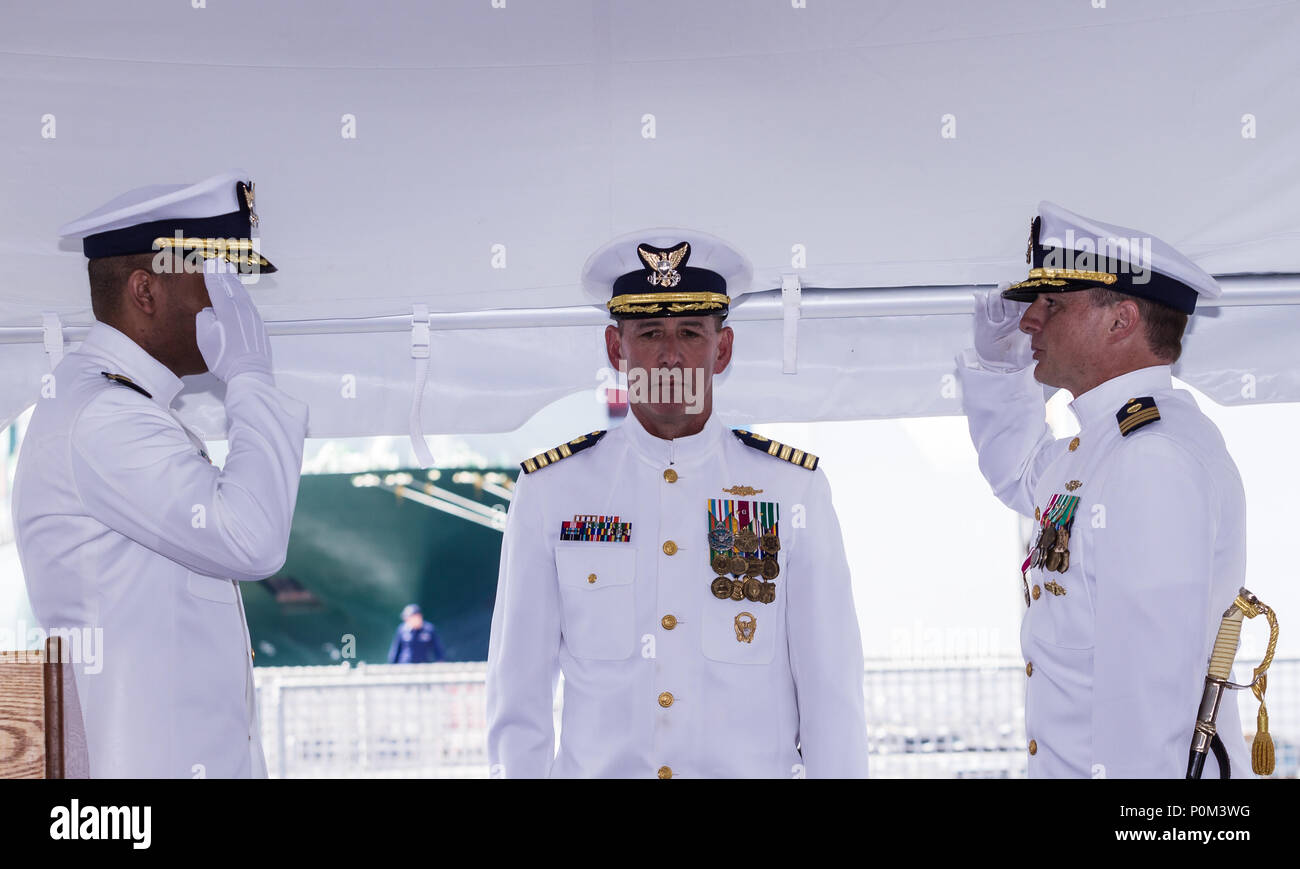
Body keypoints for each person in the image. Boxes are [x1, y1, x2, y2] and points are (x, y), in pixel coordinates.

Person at [486, 228, 868, 778]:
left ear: (723, 348)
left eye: (690, 331)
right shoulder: (553, 492)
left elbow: (831, 689)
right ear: (617, 349)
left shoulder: (790, 491)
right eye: (648, 333)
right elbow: (517, 693)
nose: (669, 354)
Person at [12, 170, 309, 778]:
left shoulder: (120, 408)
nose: (234, 306)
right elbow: (252, 540)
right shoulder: (105, 416)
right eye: (217, 283)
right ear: (145, 292)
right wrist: (251, 379)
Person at [957, 201, 1251, 778]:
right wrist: (997, 370)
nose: (1028, 324)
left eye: (1053, 306)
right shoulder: (1102, 446)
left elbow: (1150, 700)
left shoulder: (1151, 456)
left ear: (1121, 320)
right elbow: (1018, 474)